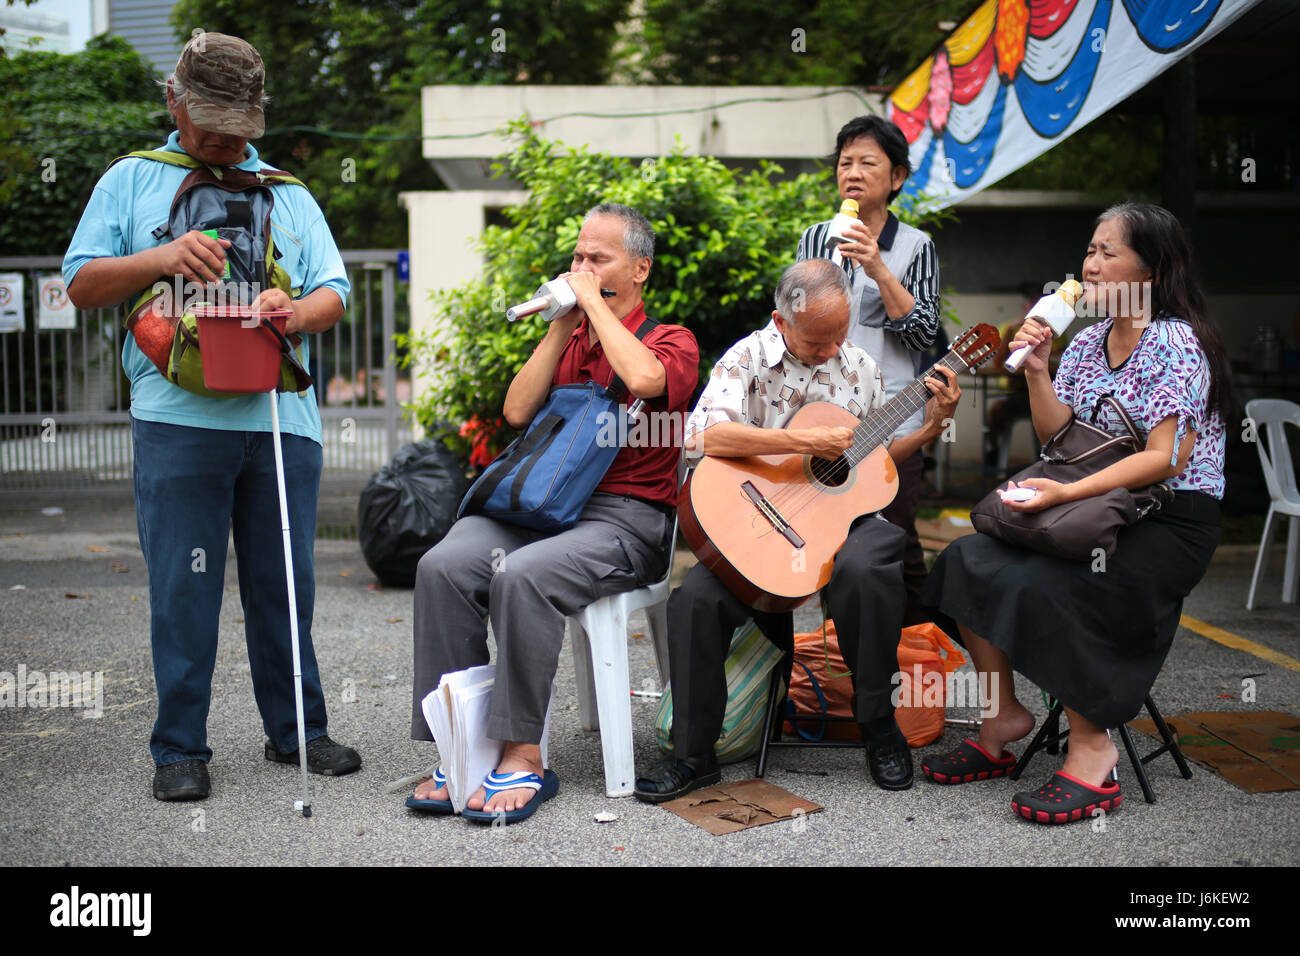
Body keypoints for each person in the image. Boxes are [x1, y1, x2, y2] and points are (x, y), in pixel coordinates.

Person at [63, 33, 359, 801]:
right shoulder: (130, 182)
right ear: (174, 101)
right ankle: (179, 748)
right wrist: (160, 261)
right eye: (210, 120)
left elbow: (335, 290)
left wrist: (292, 312)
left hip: (279, 420)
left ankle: (299, 731)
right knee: (183, 586)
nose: (227, 138)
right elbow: (83, 283)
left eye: (240, 123)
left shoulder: (288, 193)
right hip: (176, 419)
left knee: (284, 584)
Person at [920, 202, 1232, 824]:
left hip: (1167, 518)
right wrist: (1037, 371)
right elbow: (1059, 441)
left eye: (1107, 252)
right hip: (1095, 502)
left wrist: (1063, 495)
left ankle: (1093, 750)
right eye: (1089, 250)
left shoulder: (1176, 342)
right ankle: (1000, 716)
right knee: (969, 558)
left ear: (1152, 268)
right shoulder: (1087, 340)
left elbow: (1165, 459)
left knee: (1057, 584)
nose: (1089, 264)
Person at [407, 204, 699, 823]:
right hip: (543, 508)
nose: (582, 268)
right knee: (444, 565)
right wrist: (557, 329)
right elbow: (516, 411)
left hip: (624, 521)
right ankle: (460, 743)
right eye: (578, 257)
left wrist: (594, 306)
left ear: (639, 268)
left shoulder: (672, 341)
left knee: (523, 575)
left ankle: (521, 753)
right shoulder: (569, 339)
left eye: (599, 258)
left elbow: (646, 380)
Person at [633, 258, 960, 803]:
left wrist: (930, 427)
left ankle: (879, 727)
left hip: (839, 525)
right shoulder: (747, 359)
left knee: (869, 563)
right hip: (760, 525)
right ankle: (694, 755)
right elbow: (706, 439)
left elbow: (871, 465)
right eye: (818, 341)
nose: (834, 350)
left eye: (841, 335)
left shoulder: (860, 368)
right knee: (694, 599)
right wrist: (805, 443)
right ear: (782, 322)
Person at [796, 115, 941, 625]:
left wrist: (878, 268)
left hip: (892, 419)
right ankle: (843, 655)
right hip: (821, 422)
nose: (852, 173)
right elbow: (790, 330)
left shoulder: (915, 247)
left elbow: (925, 336)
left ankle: (920, 648)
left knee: (892, 541)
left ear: (896, 177)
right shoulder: (815, 239)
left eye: (867, 163)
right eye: (844, 163)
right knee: (831, 541)